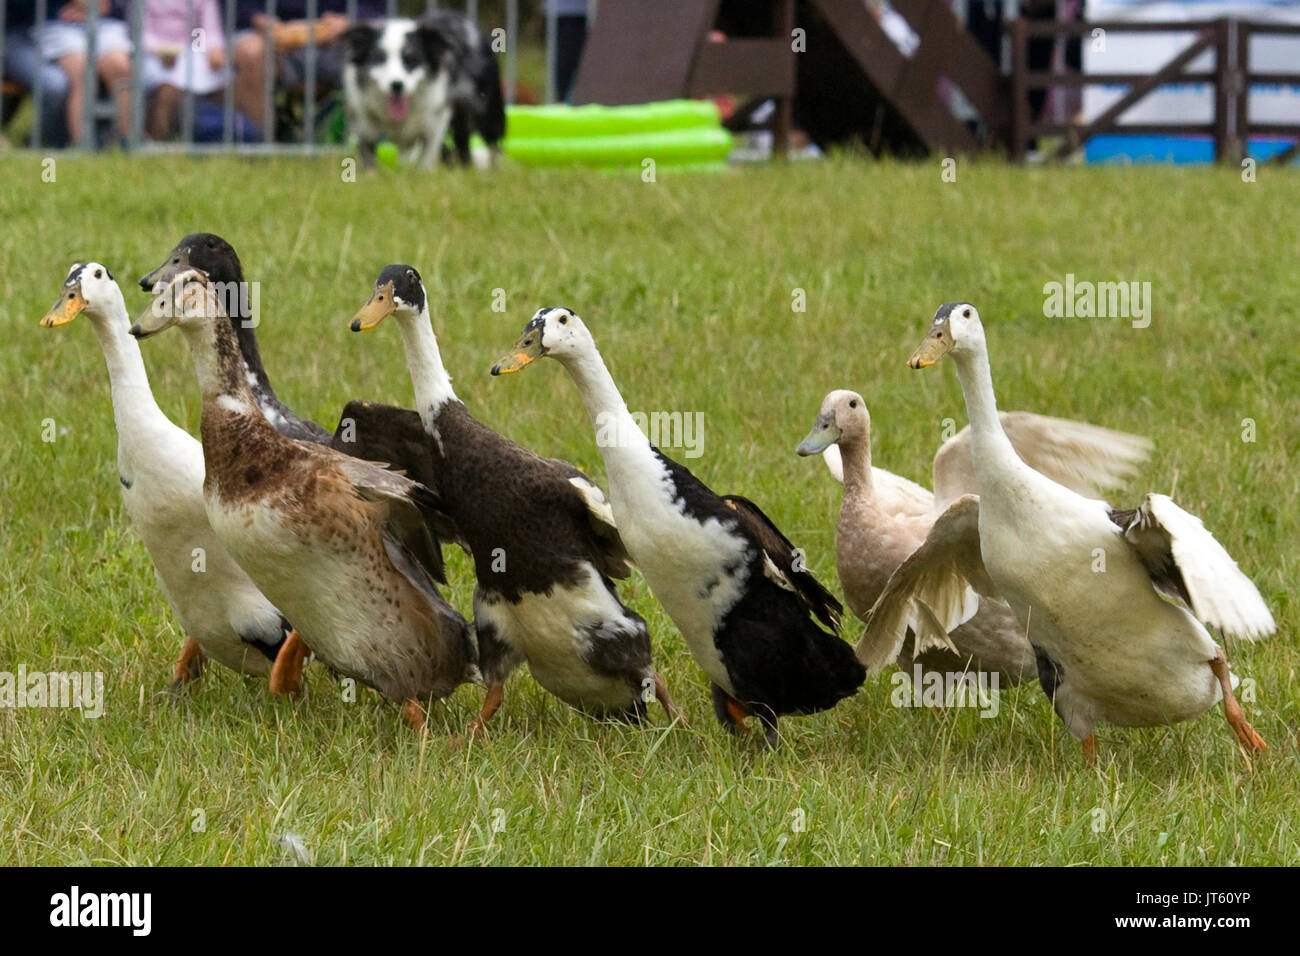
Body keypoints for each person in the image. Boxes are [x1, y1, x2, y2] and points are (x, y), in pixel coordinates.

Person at [231, 0, 380, 137]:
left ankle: (368, 140)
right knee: (249, 52)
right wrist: (260, 20)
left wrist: (349, 21)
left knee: (378, 52)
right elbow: (239, 6)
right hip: (277, 42)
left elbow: (377, 9)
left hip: (341, 43)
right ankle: (269, 143)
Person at [35, 0, 133, 145]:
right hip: (58, 22)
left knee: (119, 67)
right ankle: (83, 145)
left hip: (106, 22)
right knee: (82, 69)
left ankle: (127, 143)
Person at [141, 0, 228, 139]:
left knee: (222, 82)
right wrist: (160, 50)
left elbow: (207, 30)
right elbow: (141, 31)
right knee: (168, 91)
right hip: (151, 55)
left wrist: (213, 48)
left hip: (192, 52)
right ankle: (156, 142)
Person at [3, 0, 71, 146]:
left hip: (62, 32)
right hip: (15, 36)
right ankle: (44, 144)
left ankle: (48, 143)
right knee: (54, 84)